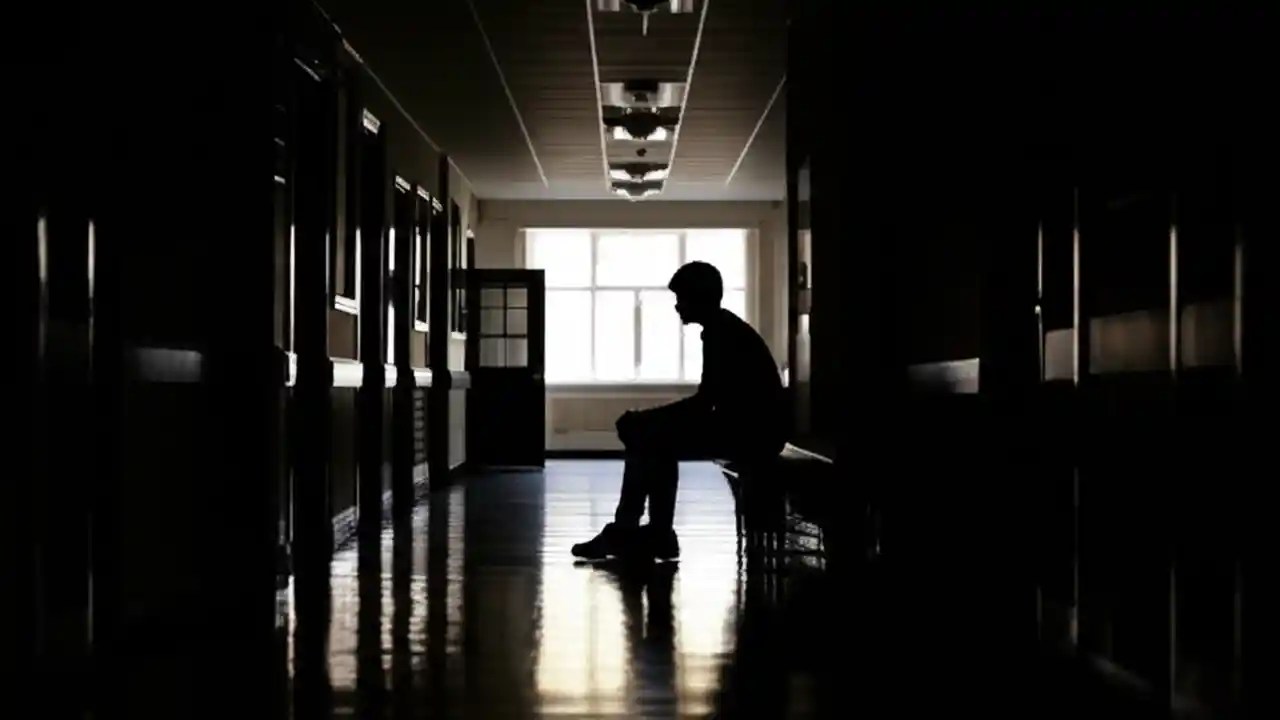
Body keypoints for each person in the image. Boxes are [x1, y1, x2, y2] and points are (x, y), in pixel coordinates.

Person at [572, 261, 788, 561]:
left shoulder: (720, 333)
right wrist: (652, 420)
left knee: (648, 436)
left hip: (752, 433)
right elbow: (710, 401)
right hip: (751, 428)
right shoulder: (722, 328)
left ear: (700, 298)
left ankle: (633, 531)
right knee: (651, 437)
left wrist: (649, 418)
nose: (677, 306)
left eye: (681, 298)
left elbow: (705, 401)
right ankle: (646, 533)